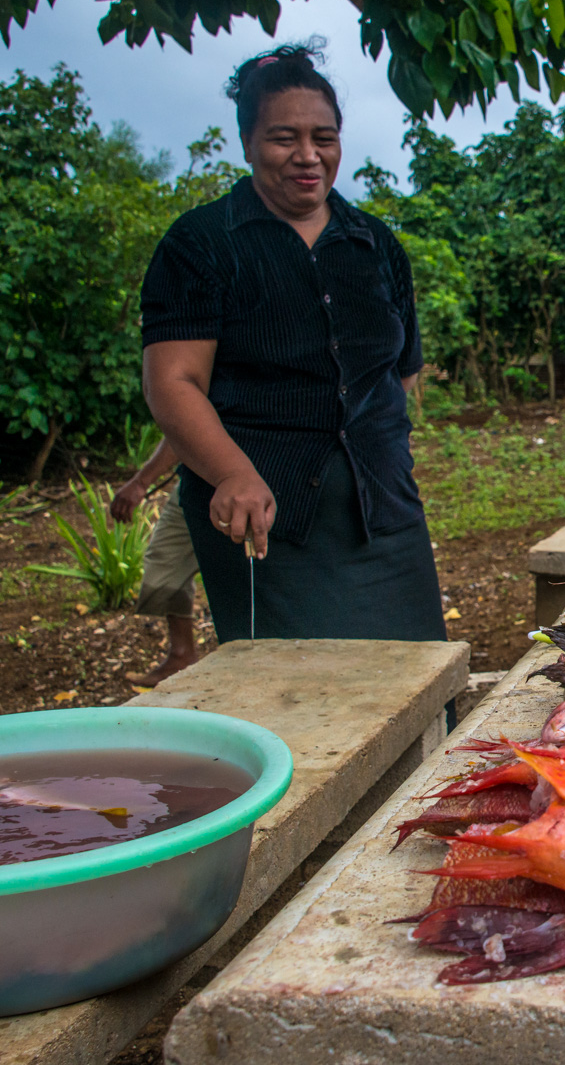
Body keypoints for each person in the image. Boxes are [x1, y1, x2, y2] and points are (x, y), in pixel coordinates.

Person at [139, 43, 446, 643]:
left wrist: (375, 444)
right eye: (284, 138)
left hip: (383, 513)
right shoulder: (200, 244)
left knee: (417, 682)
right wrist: (233, 472)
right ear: (247, 140)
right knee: (299, 704)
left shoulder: (374, 244)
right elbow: (173, 382)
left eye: (324, 138)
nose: (308, 156)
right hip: (262, 525)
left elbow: (399, 372)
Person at [110, 437, 201, 686]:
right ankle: (181, 656)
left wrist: (141, 482)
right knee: (166, 557)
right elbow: (183, 425)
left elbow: (187, 423)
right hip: (197, 479)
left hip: (254, 478)